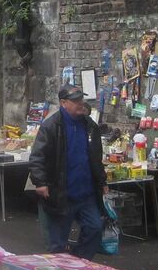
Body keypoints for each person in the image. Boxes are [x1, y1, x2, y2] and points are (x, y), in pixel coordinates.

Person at [29, 84, 108, 260]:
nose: (80, 103)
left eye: (81, 99)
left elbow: (96, 157)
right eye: (75, 100)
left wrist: (102, 181)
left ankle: (78, 261)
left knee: (95, 228)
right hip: (61, 193)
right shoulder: (51, 126)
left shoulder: (90, 126)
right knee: (58, 243)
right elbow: (37, 157)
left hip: (86, 193)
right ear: (63, 103)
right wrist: (40, 182)